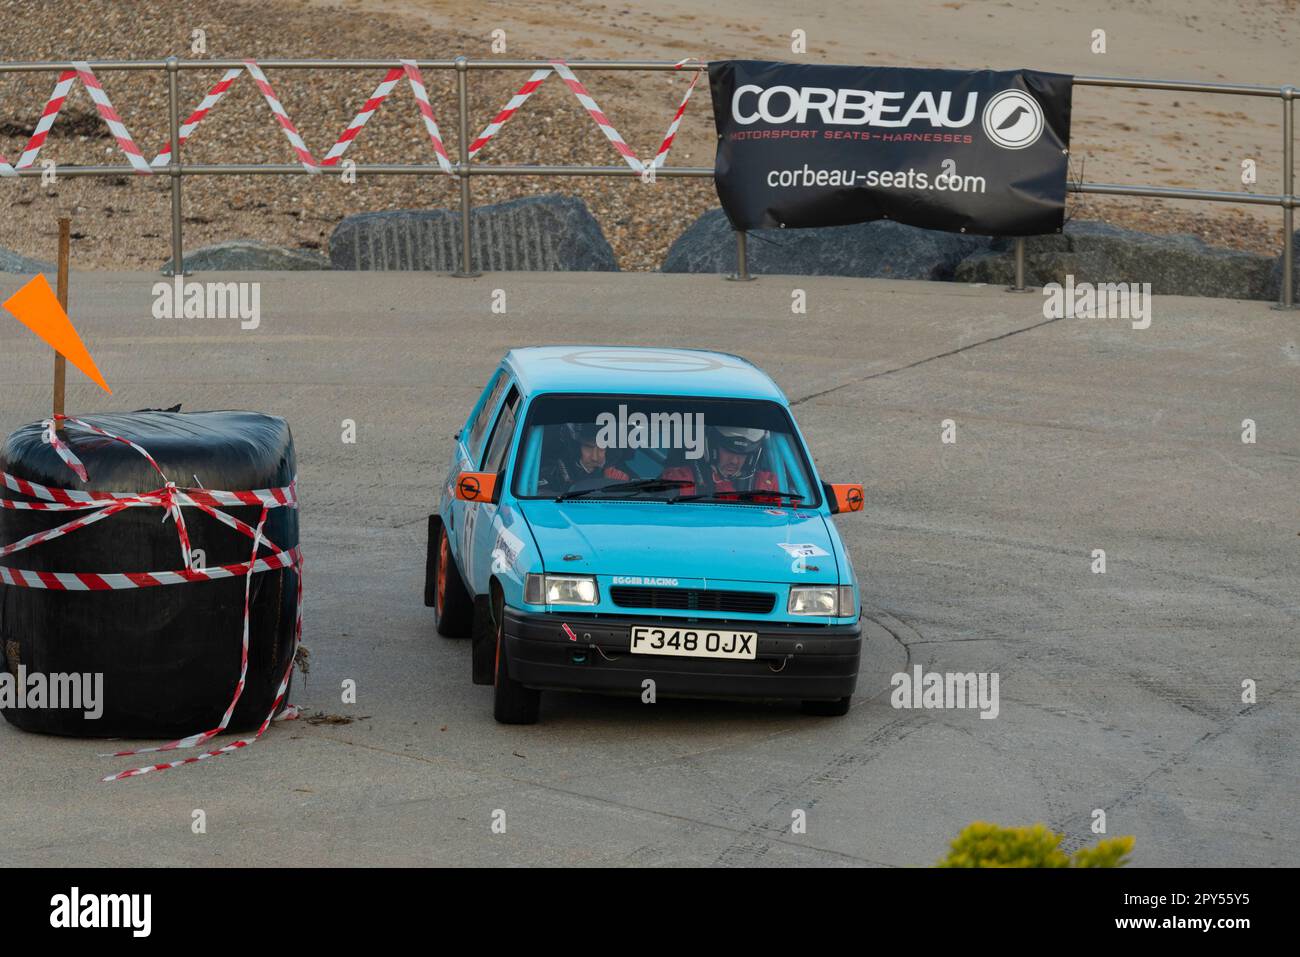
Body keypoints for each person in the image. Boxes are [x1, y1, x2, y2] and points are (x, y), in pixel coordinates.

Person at [660, 426, 779, 498]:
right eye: (728, 451)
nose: (734, 461)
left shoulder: (766, 485)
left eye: (742, 454)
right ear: (712, 448)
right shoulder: (680, 481)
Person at [538, 423, 629, 493]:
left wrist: (617, 486)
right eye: (588, 447)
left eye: (601, 448)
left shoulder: (620, 472)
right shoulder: (553, 473)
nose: (595, 457)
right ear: (575, 448)